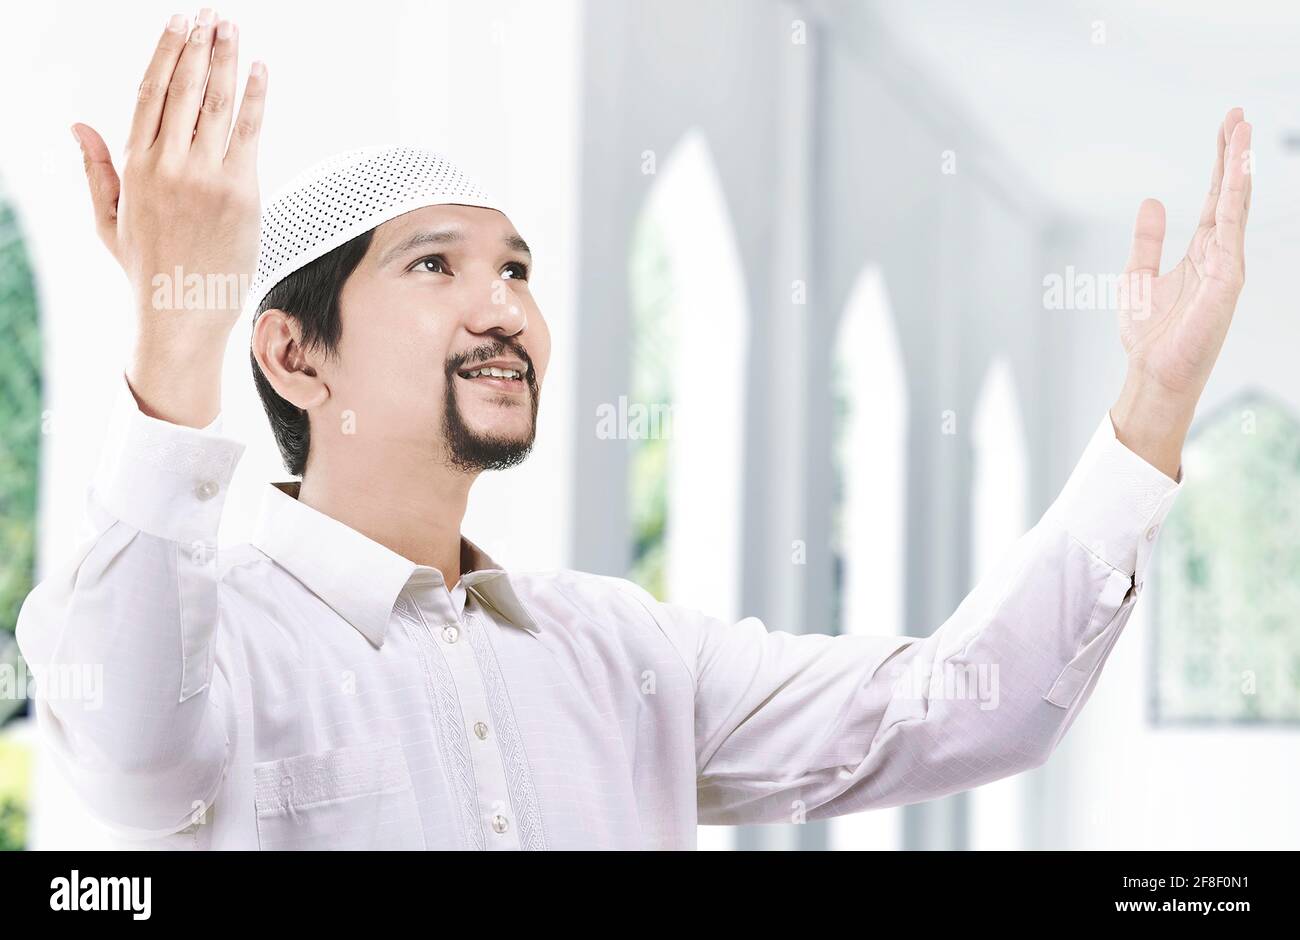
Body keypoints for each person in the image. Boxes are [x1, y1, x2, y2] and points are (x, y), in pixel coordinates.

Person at [17, 11, 1252, 850]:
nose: (504, 309)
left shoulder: (624, 651)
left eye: (516, 269)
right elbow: (134, 758)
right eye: (435, 265)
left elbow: (965, 709)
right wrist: (178, 332)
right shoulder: (208, 638)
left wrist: (1152, 402)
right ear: (295, 354)